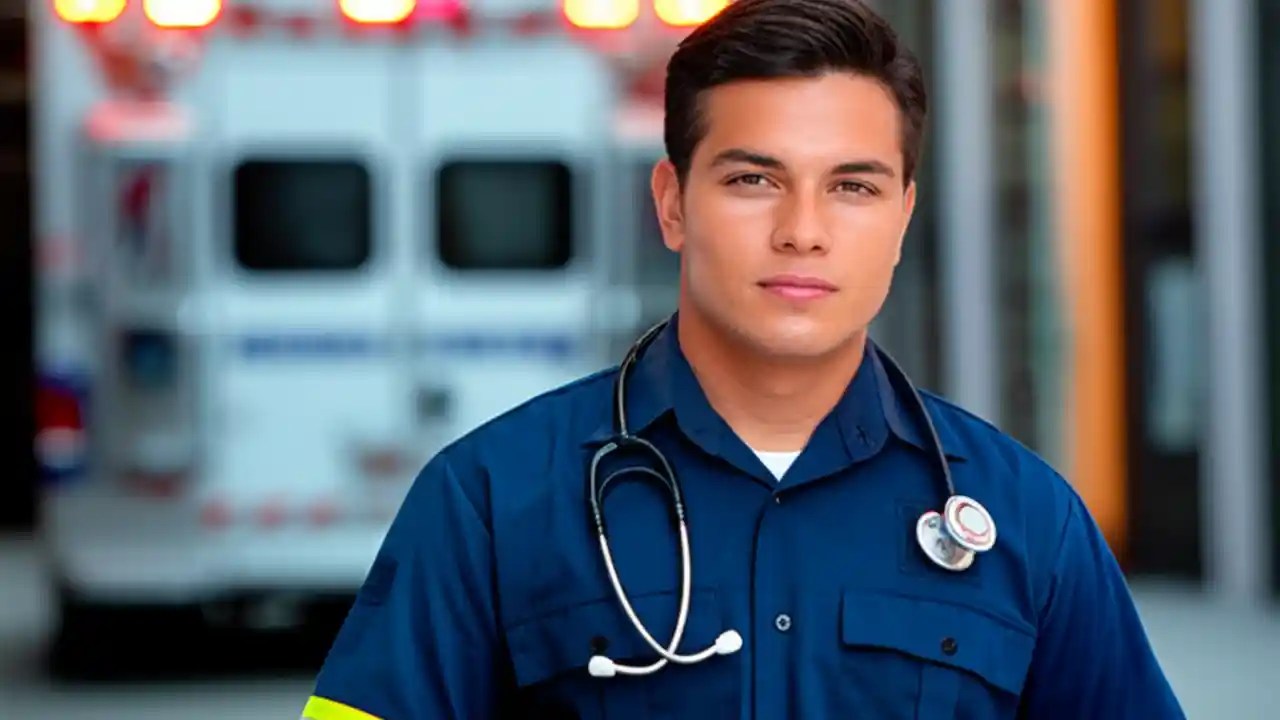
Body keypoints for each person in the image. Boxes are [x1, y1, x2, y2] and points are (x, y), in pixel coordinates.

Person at [301, 0, 1186, 718]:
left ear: (903, 216)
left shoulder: (1027, 519)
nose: (802, 230)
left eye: (853, 186)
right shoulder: (490, 501)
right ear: (673, 203)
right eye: (753, 179)